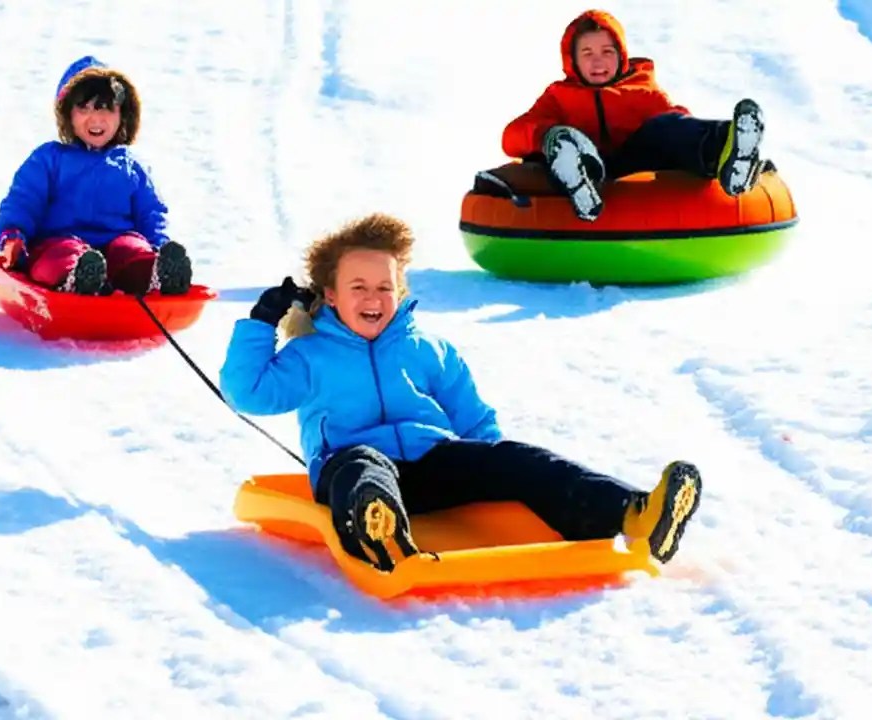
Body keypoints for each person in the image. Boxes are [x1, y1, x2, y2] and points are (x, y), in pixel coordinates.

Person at [219, 212, 703, 572]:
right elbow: (249, 393)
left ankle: (634, 514)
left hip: (435, 463)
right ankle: (376, 525)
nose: (373, 299)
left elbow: (473, 420)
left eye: (384, 288)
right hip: (351, 465)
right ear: (330, 296)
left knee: (520, 459)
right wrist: (262, 323)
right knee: (361, 466)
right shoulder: (310, 356)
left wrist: (496, 472)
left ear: (401, 291)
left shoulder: (429, 349)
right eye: (358, 287)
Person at [500, 9, 767, 221]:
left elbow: (678, 124)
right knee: (559, 141)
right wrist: (546, 135)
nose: (597, 62)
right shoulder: (559, 96)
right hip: (593, 165)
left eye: (607, 52)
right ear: (572, 60)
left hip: (636, 163)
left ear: (621, 56)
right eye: (587, 53)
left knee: (665, 127)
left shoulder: (641, 89)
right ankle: (577, 176)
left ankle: (729, 154)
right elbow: (512, 136)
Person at [0, 55, 192, 296]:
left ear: (122, 114)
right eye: (84, 108)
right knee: (58, 255)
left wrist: (159, 246)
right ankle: (77, 280)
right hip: (59, 242)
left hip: (116, 247)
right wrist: (13, 236)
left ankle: (156, 276)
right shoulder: (49, 158)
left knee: (132, 249)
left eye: (106, 108)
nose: (96, 118)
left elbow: (151, 212)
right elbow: (23, 200)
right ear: (68, 115)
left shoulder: (131, 166)